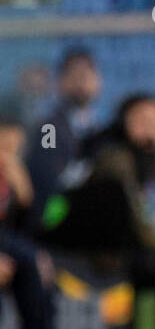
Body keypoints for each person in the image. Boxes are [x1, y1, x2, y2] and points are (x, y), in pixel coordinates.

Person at [41, 94, 155, 329]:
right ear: (125, 122)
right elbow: (137, 225)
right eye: (142, 121)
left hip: (111, 252)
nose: (150, 129)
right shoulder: (114, 157)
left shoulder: (137, 157)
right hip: (83, 255)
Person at [0, 115, 56, 329]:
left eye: (16, 137)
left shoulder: (13, 173)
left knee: (34, 269)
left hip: (10, 249)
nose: (11, 144)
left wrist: (22, 190)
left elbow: (25, 227)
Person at [25, 47, 101, 233]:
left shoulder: (98, 130)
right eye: (74, 74)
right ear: (59, 82)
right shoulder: (48, 128)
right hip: (55, 218)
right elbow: (49, 176)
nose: (81, 81)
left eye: (87, 74)